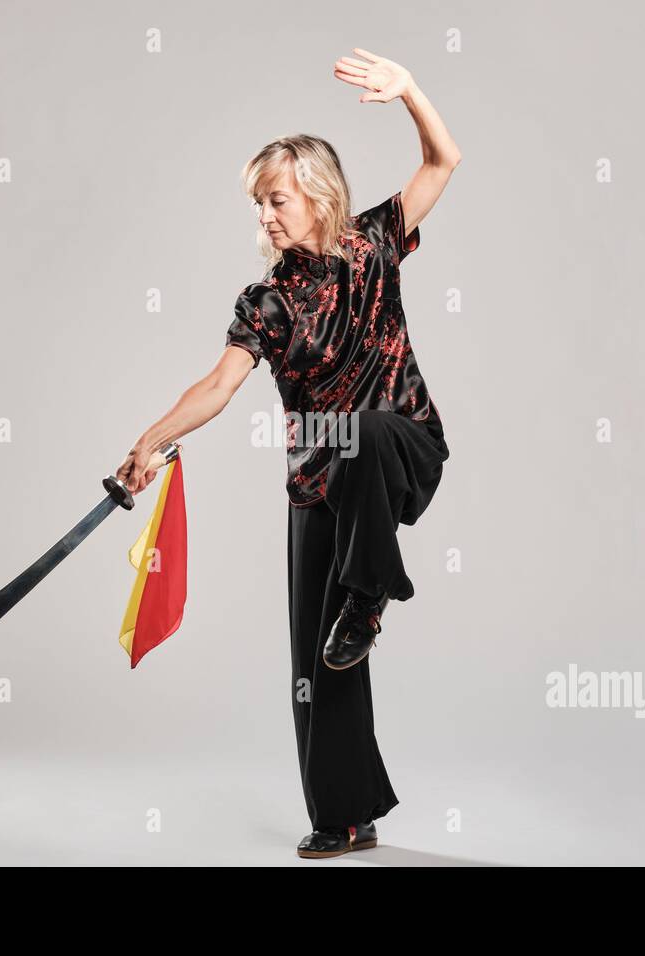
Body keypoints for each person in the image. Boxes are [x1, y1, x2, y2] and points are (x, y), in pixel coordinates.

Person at [115, 48, 462, 859]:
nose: (264, 216)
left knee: (365, 429)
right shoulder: (266, 303)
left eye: (274, 200)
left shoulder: (377, 243)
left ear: (316, 194)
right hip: (321, 487)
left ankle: (372, 594)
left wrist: (410, 89)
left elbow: (443, 160)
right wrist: (150, 438)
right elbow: (216, 386)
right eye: (256, 205)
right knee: (318, 658)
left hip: (402, 447)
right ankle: (345, 817)